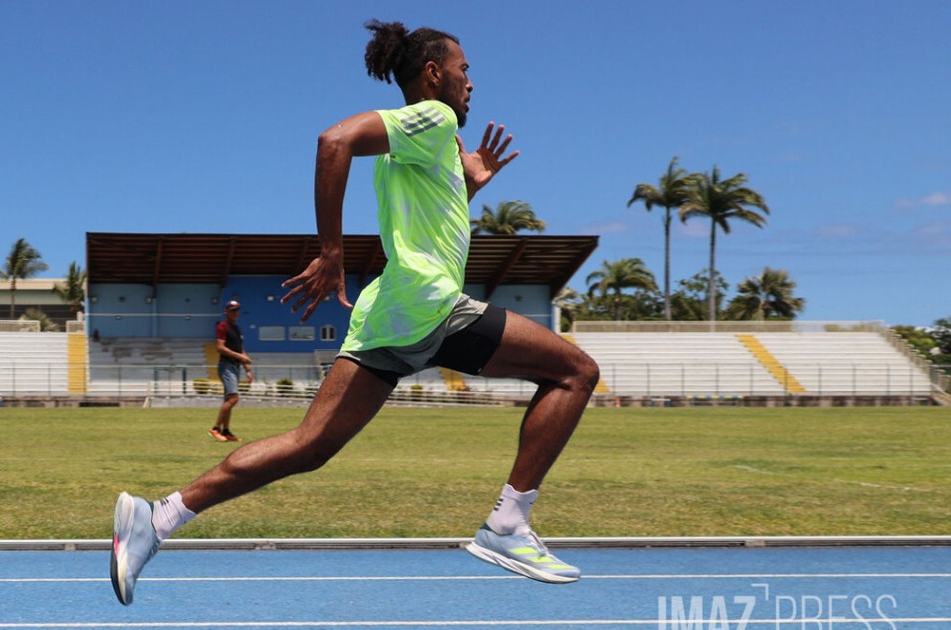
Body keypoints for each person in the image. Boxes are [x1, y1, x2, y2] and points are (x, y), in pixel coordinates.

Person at [110, 19, 599, 606]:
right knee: (575, 371)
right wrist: (332, 254)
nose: (472, 82)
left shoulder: (418, 144)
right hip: (430, 305)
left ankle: (156, 519)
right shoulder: (434, 118)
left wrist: (467, 185)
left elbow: (426, 225)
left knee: (309, 446)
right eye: (465, 70)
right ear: (433, 73)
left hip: (391, 312)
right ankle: (507, 525)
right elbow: (333, 140)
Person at [210, 300, 253, 442]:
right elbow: (220, 348)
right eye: (233, 310)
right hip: (226, 365)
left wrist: (247, 369)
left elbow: (241, 349)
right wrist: (240, 356)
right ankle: (216, 428)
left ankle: (226, 431)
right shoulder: (223, 326)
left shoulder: (237, 328)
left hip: (236, 366)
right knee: (234, 398)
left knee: (228, 400)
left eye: (237, 310)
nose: (235, 313)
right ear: (226, 311)